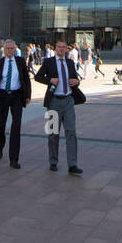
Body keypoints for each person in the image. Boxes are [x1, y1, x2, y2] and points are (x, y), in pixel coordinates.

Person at [34, 39, 85, 175]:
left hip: (68, 101)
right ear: (55, 49)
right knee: (52, 133)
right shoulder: (48, 62)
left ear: (66, 49)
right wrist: (49, 80)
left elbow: (74, 79)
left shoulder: (69, 63)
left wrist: (77, 81)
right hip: (54, 102)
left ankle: (72, 164)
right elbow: (37, 77)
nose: (61, 49)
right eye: (59, 47)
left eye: (64, 47)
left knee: (71, 132)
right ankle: (53, 161)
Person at [0, 39, 31, 169]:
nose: (10, 50)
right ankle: (0, 147)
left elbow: (26, 79)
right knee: (1, 126)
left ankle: (14, 158)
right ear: (4, 50)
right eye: (8, 48)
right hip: (2, 96)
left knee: (16, 126)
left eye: (12, 48)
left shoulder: (20, 62)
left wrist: (27, 95)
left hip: (17, 96)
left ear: (15, 49)